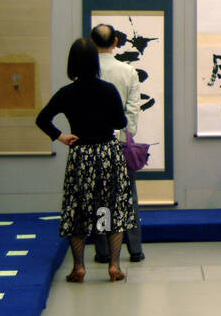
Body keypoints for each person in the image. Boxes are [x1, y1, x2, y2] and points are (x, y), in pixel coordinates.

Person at [35, 38, 136, 283]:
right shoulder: (108, 90)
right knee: (113, 208)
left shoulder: (66, 93)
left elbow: (42, 119)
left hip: (81, 155)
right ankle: (114, 266)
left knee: (78, 210)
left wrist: (60, 136)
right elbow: (120, 123)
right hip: (108, 153)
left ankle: (78, 267)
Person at [89, 22, 144, 264]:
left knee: (99, 198)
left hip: (93, 141)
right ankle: (134, 249)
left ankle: (102, 251)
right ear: (115, 43)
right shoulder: (128, 71)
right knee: (128, 196)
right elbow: (132, 110)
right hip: (120, 141)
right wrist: (125, 136)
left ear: (92, 43)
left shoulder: (87, 71)